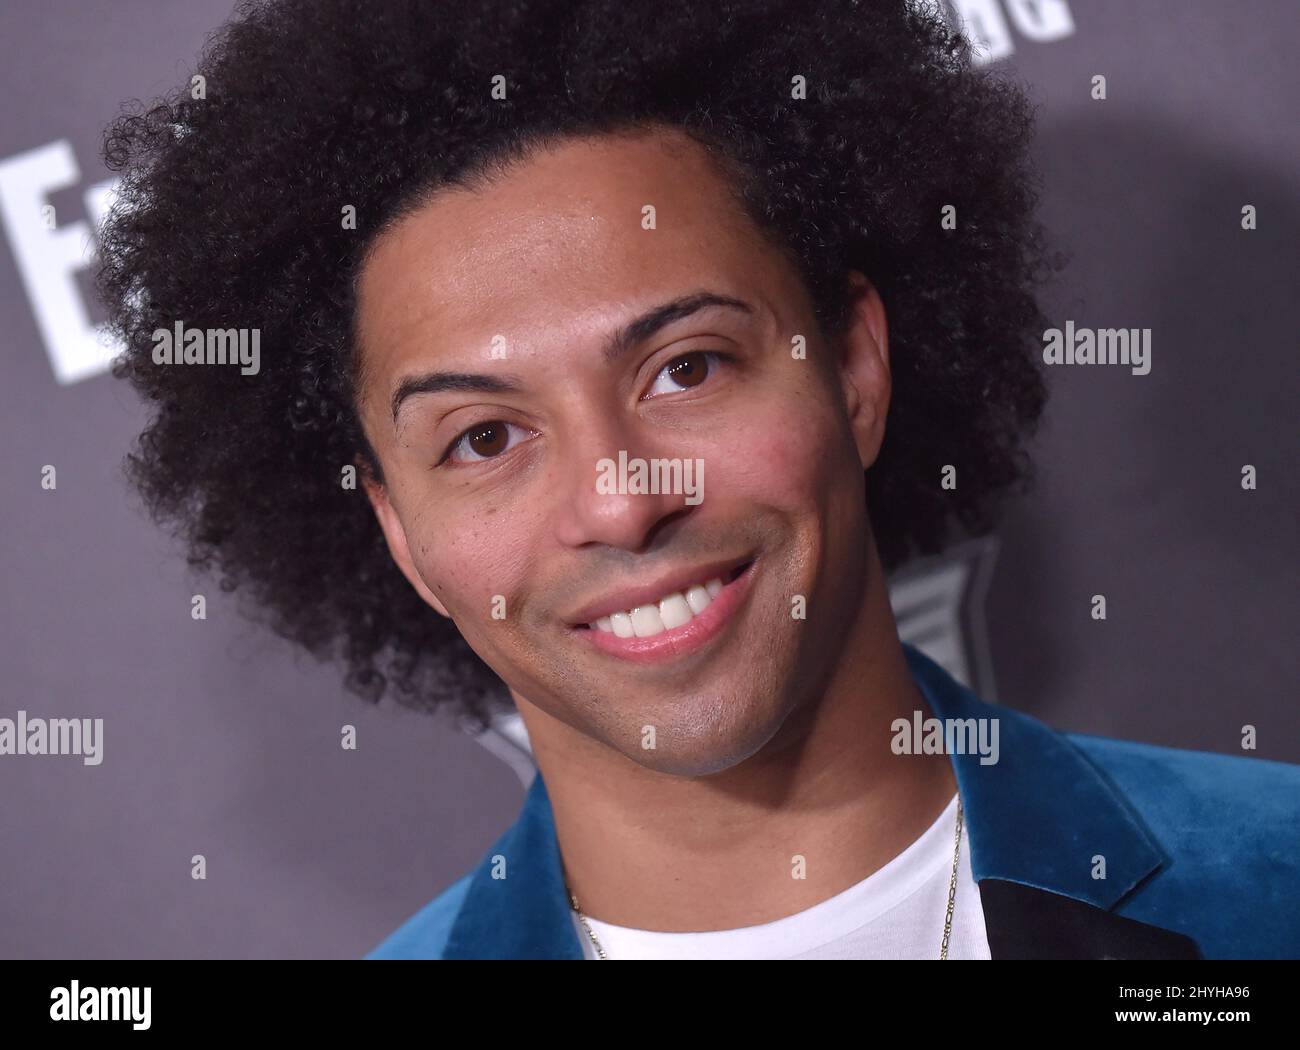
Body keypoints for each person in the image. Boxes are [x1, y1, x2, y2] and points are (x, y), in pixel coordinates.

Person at [96, 0, 1299, 960]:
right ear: (399, 532)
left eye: (685, 367)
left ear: (855, 367)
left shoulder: (1272, 883)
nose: (619, 499)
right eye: (481, 439)